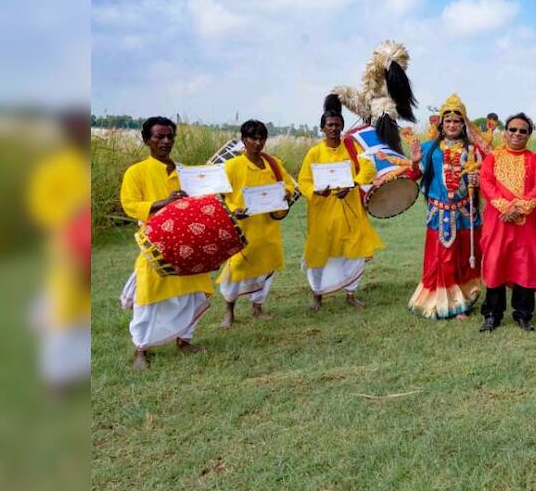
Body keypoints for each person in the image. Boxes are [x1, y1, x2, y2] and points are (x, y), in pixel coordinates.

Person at [119, 116, 212, 370]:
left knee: (191, 293)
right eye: (159, 136)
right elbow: (129, 205)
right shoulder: (136, 172)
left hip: (188, 242)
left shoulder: (185, 172)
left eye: (170, 136)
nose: (166, 141)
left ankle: (185, 340)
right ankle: (141, 349)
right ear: (146, 140)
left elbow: (201, 201)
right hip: (155, 243)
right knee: (149, 295)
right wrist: (163, 203)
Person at [298, 95, 384, 311]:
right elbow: (304, 181)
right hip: (323, 212)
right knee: (319, 254)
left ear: (342, 127)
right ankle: (317, 295)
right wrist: (317, 191)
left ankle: (351, 294)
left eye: (337, 125)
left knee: (353, 252)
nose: (333, 128)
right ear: (322, 128)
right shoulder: (314, 153)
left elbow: (368, 169)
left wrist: (353, 184)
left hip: (350, 210)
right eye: (329, 125)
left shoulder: (352, 148)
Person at [27, 108, 92, 389]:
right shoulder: (52, 168)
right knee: (65, 310)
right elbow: (41, 208)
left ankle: (80, 368)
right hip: (66, 247)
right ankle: (56, 377)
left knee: (85, 313)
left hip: (87, 244)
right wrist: (72, 221)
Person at [408, 94, 485, 319]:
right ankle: (445, 302)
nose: (452, 125)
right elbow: (414, 175)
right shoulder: (429, 149)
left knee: (465, 257)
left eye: (457, 121)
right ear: (441, 124)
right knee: (443, 257)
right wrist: (414, 162)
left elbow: (485, 178)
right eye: (448, 121)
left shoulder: (474, 150)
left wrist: (477, 179)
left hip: (465, 212)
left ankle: (463, 301)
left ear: (463, 124)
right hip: (439, 213)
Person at [216, 119, 297, 327]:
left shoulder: (273, 163)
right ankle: (229, 311)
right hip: (244, 226)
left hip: (268, 226)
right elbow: (222, 195)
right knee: (236, 267)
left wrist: (286, 193)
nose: (258, 143)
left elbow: (288, 183)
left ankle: (257, 307)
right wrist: (235, 209)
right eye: (253, 138)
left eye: (262, 139)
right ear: (244, 140)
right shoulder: (232, 166)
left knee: (266, 266)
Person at [478, 113, 536, 332]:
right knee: (495, 262)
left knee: (524, 263)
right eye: (513, 129)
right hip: (497, 220)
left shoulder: (535, 160)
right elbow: (486, 184)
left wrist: (518, 209)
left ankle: (523, 314)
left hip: (524, 222)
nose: (517, 134)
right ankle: (492, 314)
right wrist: (505, 207)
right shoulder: (493, 158)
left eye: (523, 131)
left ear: (528, 135)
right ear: (505, 132)